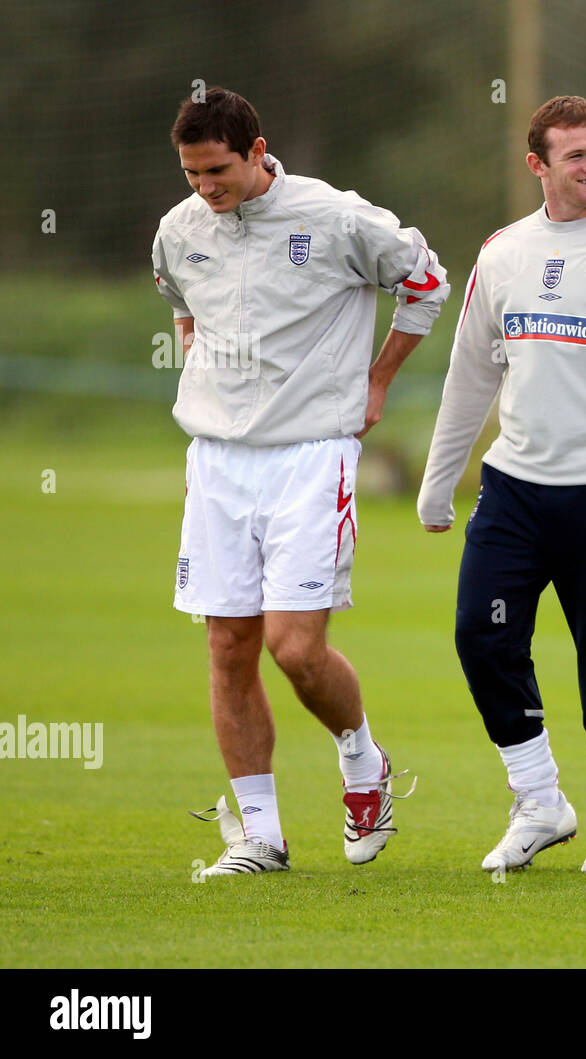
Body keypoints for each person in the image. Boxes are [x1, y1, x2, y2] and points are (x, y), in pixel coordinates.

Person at [151, 87, 448, 876]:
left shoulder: (338, 217)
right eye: (191, 174)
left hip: (312, 456)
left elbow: (425, 284)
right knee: (227, 646)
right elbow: (182, 306)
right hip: (216, 462)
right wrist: (209, 380)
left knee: (294, 647)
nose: (205, 189)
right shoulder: (179, 230)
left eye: (217, 170)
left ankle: (362, 760)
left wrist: (377, 382)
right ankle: (259, 836)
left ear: (257, 151)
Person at [417, 96, 586, 874]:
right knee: (481, 634)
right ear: (538, 164)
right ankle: (539, 800)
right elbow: (471, 372)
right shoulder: (501, 252)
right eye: (576, 154)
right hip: (513, 490)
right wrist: (440, 482)